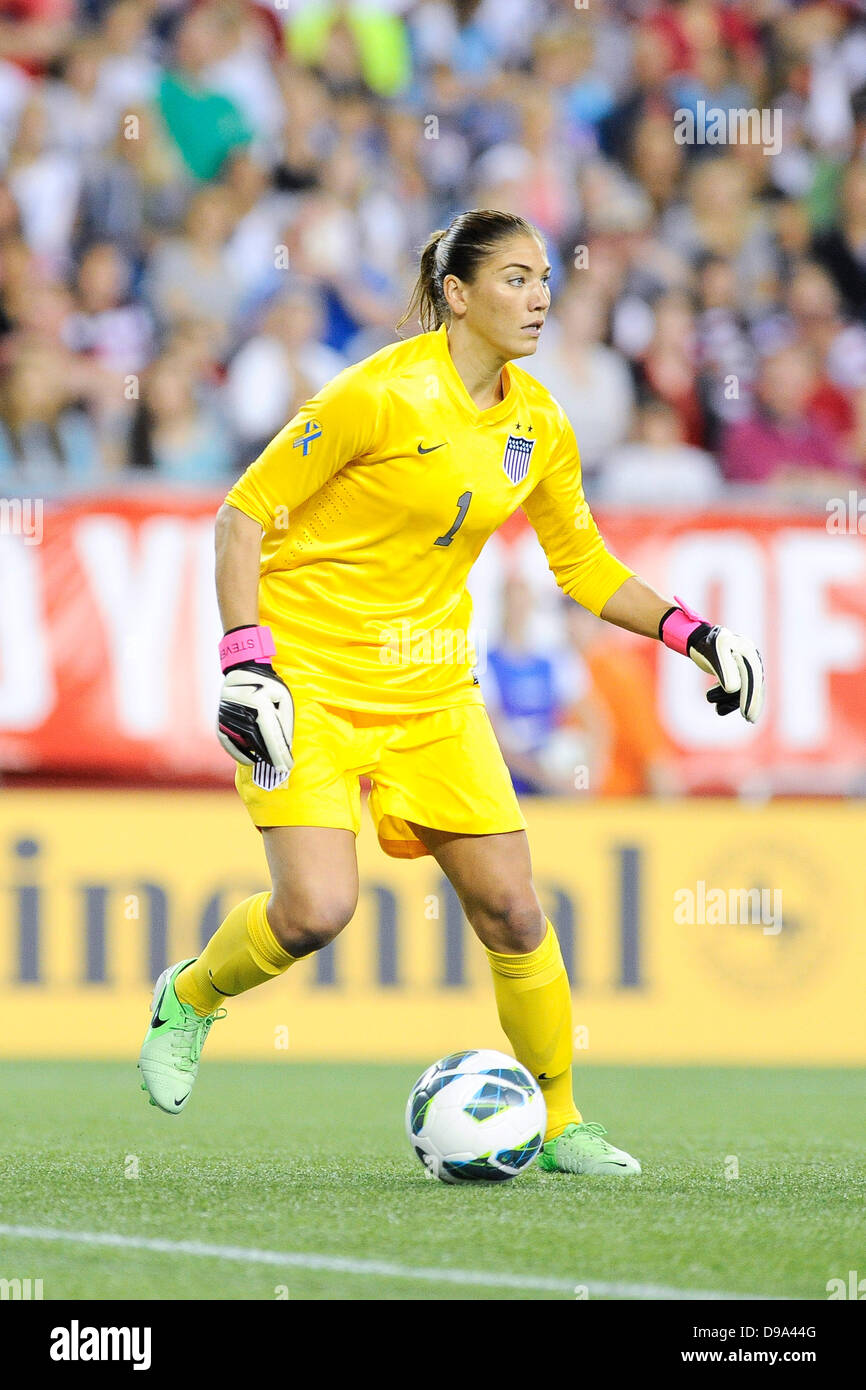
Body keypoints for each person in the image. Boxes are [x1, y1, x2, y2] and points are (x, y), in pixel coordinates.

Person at [138, 210, 765, 1178]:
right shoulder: (377, 394)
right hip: (306, 674)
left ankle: (559, 1123)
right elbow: (242, 515)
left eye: (545, 277)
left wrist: (696, 635)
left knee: (513, 911)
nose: (540, 296)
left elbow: (582, 564)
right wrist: (246, 661)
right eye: (515, 278)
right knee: (313, 911)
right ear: (458, 296)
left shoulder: (538, 420)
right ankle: (191, 995)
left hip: (430, 688)